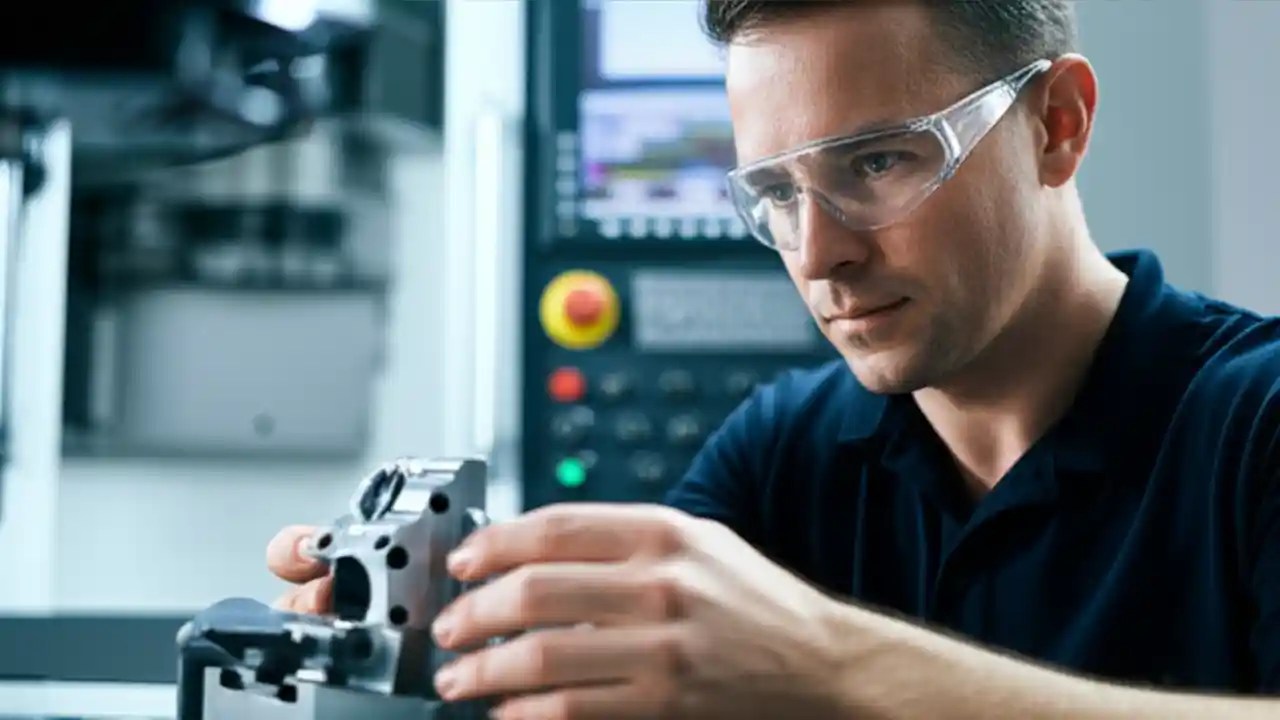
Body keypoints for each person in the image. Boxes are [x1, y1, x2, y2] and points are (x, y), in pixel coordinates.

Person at [267, 0, 1280, 717]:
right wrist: (441, 637)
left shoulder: (1253, 425)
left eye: (877, 161)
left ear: (1054, 126)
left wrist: (830, 664)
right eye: (776, 193)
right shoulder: (782, 451)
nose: (816, 252)